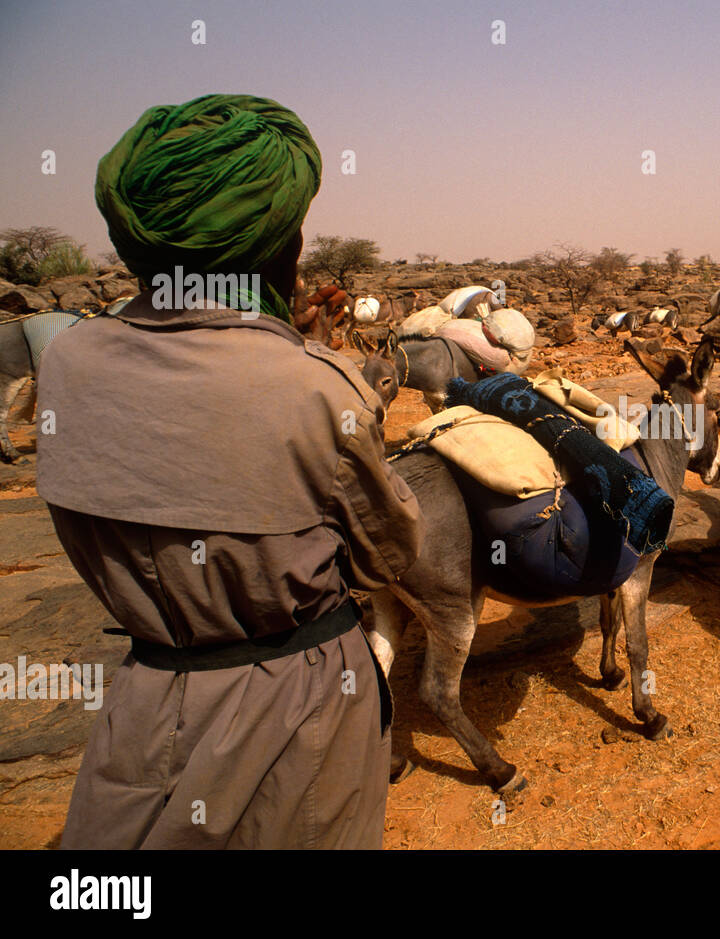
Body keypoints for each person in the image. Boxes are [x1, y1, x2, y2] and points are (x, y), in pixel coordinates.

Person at [35, 94, 423, 848]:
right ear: (275, 249)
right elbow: (388, 557)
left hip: (147, 699)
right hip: (304, 701)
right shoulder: (316, 385)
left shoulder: (67, 361)